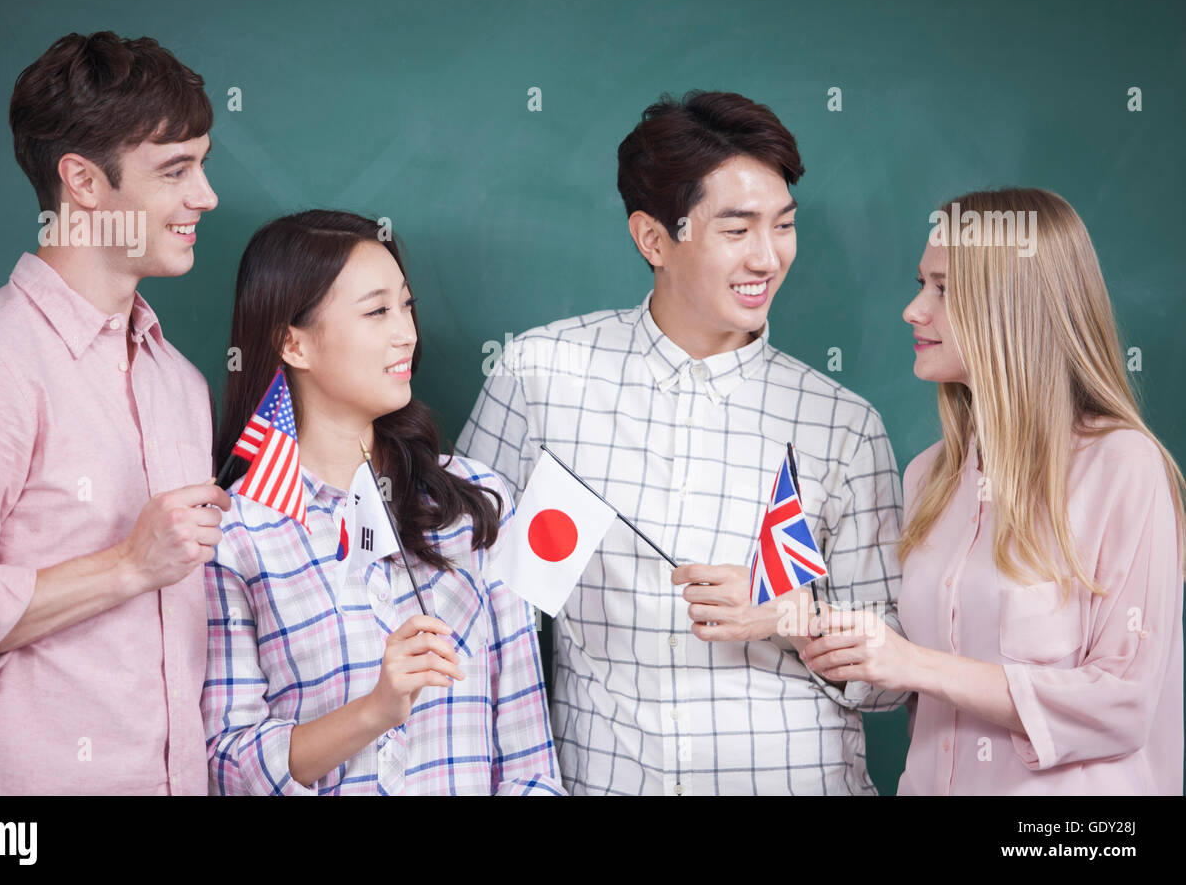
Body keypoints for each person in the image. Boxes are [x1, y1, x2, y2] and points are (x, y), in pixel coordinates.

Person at [458, 90, 909, 795]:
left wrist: (785, 614)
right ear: (653, 239)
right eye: (737, 229)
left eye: (784, 226)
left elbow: (892, 681)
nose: (768, 257)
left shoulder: (843, 424)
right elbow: (467, 590)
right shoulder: (540, 374)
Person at [0, 32, 229, 794]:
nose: (205, 196)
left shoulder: (180, 383)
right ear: (82, 180)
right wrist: (126, 566)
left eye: (202, 165)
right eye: (176, 170)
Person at [801, 187, 1185, 794]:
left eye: (943, 289)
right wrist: (808, 628)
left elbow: (1124, 702)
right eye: (921, 283)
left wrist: (915, 664)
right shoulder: (928, 476)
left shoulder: (1123, 467)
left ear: (1014, 306)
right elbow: (909, 680)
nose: (913, 309)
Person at [202, 209, 564, 795]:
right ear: (293, 342)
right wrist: (375, 708)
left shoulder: (477, 505)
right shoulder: (234, 534)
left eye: (407, 306)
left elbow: (530, 761)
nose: (407, 333)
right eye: (376, 312)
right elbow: (227, 764)